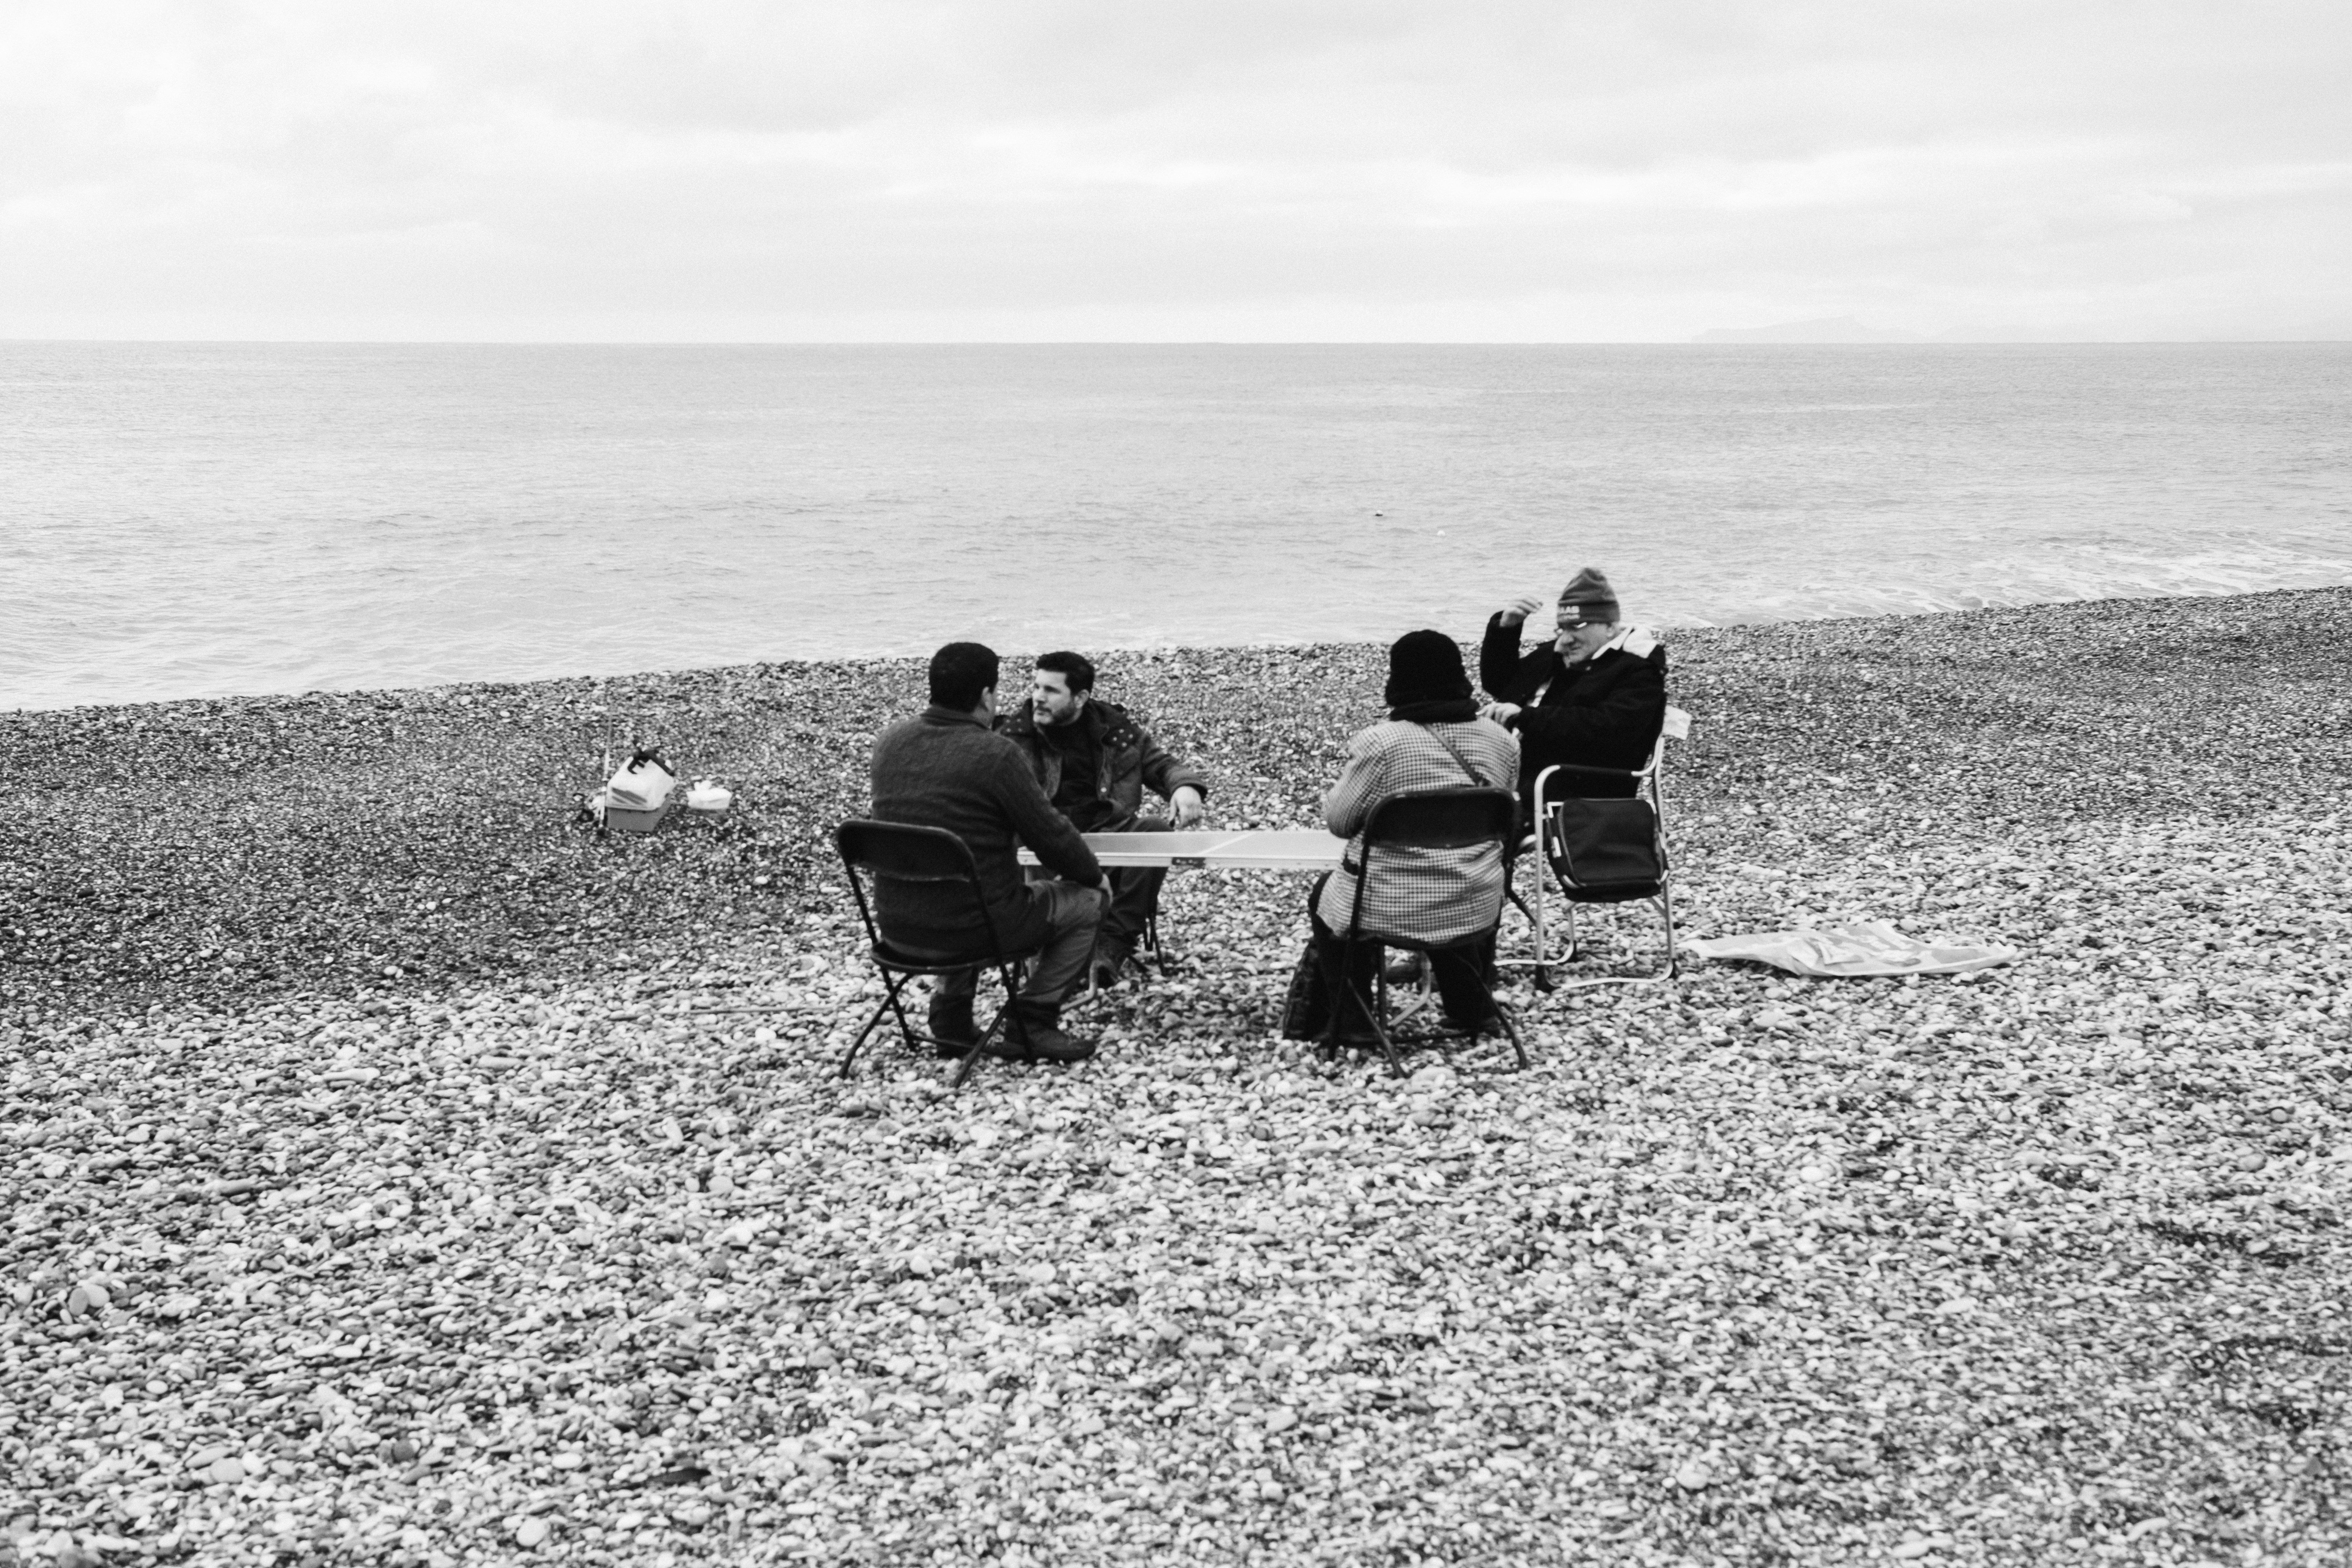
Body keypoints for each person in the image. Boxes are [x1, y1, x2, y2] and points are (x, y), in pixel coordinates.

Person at [868, 641, 1109, 1063]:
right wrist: (1094, 875)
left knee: (954, 888)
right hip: (973, 931)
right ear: (985, 696)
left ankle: (951, 1022)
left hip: (898, 929)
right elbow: (1052, 837)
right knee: (1088, 902)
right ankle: (1032, 1021)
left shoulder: (891, 742)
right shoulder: (995, 753)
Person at [1307, 630, 1520, 1041]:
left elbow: (1340, 821)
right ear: (1460, 674)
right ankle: (1471, 1009)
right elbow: (1502, 815)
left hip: (1391, 905)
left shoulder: (1381, 744)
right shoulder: (1500, 741)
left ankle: (1354, 1022)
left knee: (1327, 895)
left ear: (1397, 680)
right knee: (1450, 876)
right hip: (1474, 900)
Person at [996, 651, 1210, 987]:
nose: (1038, 697)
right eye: (1036, 686)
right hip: (1047, 846)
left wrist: (1185, 788)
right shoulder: (1012, 738)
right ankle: (1044, 946)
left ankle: (1112, 946)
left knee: (1154, 831)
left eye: (1051, 691)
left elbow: (1162, 765)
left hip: (1109, 839)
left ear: (1081, 698)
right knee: (1024, 838)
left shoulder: (1117, 732)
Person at [1479, 566, 1667, 815]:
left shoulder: (1637, 672)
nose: (1566, 639)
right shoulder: (1554, 654)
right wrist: (1506, 630)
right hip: (1516, 772)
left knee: (1469, 811)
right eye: (1562, 628)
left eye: (1577, 626)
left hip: (1576, 786)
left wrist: (1525, 717)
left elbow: (1606, 729)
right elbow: (1501, 685)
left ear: (1610, 627)